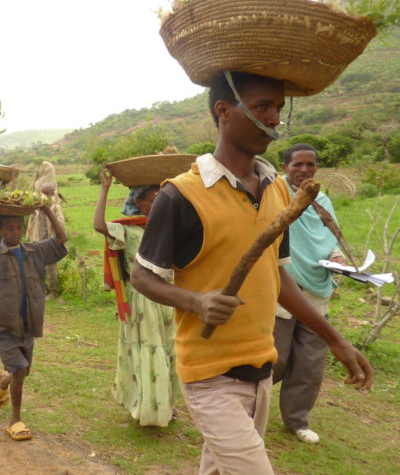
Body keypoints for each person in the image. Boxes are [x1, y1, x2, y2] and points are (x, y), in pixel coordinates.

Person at [130, 71, 372, 475]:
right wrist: (196, 301)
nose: (275, 119)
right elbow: (142, 276)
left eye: (278, 107)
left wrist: (336, 341)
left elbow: (278, 279)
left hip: (261, 369)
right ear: (223, 111)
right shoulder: (181, 194)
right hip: (210, 375)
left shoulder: (277, 190)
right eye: (262, 106)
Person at [0, 197, 68, 441]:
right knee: (21, 368)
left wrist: (47, 209)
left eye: (18, 228)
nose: (15, 233)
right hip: (4, 327)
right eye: (9, 228)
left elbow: (61, 239)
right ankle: (15, 419)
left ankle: (3, 379)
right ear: (0, 231)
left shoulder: (34, 251)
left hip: (29, 325)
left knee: (20, 373)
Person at [273, 143, 346, 444]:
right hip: (284, 288)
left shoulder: (323, 200)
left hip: (317, 288)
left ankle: (297, 420)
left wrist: (337, 257)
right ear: (285, 167)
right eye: (297, 165)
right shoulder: (275, 195)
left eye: (310, 165)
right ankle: (245, 407)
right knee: (275, 357)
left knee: (310, 362)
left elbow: (331, 238)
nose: (304, 170)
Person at [93, 169, 177, 427]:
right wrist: (105, 187)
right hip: (142, 301)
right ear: (138, 202)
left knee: (170, 353)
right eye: (152, 200)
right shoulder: (127, 231)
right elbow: (99, 225)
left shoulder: (166, 228)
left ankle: (167, 406)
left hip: (169, 299)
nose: (156, 205)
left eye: (160, 200)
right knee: (149, 352)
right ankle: (148, 409)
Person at [26, 161, 66, 296]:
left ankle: (53, 291)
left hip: (50, 241)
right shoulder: (36, 207)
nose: (45, 196)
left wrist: (59, 240)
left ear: (52, 193)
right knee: (37, 266)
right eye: (43, 194)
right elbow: (31, 224)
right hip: (37, 240)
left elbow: (61, 225)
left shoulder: (55, 207)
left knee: (51, 267)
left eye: (48, 194)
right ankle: (41, 290)